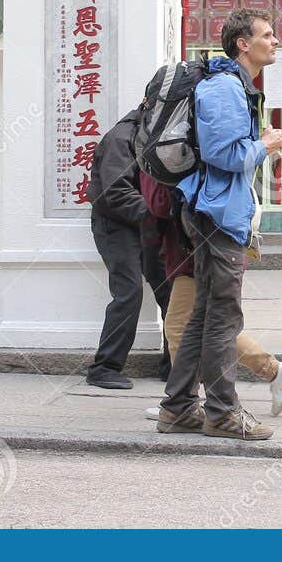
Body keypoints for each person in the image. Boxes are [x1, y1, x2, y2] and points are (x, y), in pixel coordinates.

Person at [155, 8, 282, 441]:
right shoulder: (225, 88)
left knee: (204, 315)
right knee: (224, 318)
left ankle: (177, 409)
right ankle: (224, 413)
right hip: (217, 215)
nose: (276, 41)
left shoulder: (234, 87)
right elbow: (222, 155)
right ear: (243, 44)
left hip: (215, 211)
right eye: (268, 35)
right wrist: (263, 145)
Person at [142, 186, 282, 420]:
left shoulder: (185, 155)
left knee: (181, 327)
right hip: (209, 249)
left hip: (197, 252)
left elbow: (160, 204)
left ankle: (183, 401)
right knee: (207, 325)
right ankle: (271, 370)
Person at [85, 108, 173, 390]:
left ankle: (175, 366)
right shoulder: (121, 137)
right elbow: (115, 191)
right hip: (116, 223)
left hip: (149, 221)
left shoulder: (158, 134)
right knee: (129, 291)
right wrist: (158, 215)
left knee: (173, 290)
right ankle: (104, 367)